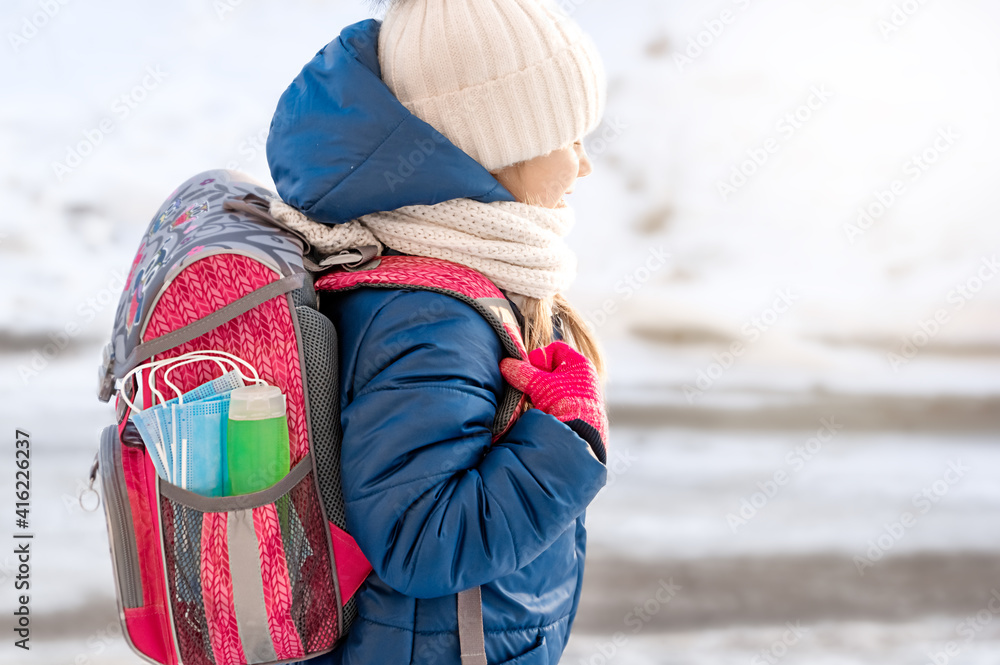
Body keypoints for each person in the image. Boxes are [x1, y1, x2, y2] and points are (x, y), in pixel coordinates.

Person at [266, 0, 611, 662]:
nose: (584, 166)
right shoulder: (429, 316)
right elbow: (420, 539)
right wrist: (566, 438)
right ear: (499, 144)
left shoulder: (451, 277)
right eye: (570, 139)